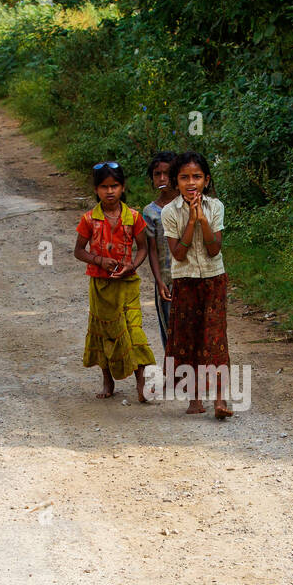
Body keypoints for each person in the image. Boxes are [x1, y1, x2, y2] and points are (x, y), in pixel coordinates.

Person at [73, 161, 156, 402]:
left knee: (133, 330)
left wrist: (133, 264)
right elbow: (79, 251)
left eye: (115, 186)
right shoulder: (89, 219)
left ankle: (141, 381)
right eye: (104, 186)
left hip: (128, 284)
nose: (110, 191)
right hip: (101, 286)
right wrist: (98, 260)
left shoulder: (133, 217)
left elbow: (143, 248)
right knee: (105, 331)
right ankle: (107, 378)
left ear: (122, 187)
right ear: (96, 189)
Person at [162, 152, 232, 419]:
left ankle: (219, 399)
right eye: (184, 177)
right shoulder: (170, 212)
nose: (191, 183)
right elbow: (178, 254)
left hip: (214, 278)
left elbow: (215, 249)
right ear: (175, 182)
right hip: (185, 280)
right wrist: (191, 222)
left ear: (206, 180)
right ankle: (193, 398)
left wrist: (202, 219)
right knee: (188, 337)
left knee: (215, 337)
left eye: (197, 177)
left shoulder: (216, 207)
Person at [141, 151, 178, 354]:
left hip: (191, 277)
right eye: (157, 174)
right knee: (169, 328)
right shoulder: (150, 211)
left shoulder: (188, 205)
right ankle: (175, 377)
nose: (162, 178)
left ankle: (196, 377)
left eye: (167, 173)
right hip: (166, 279)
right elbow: (152, 250)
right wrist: (159, 281)